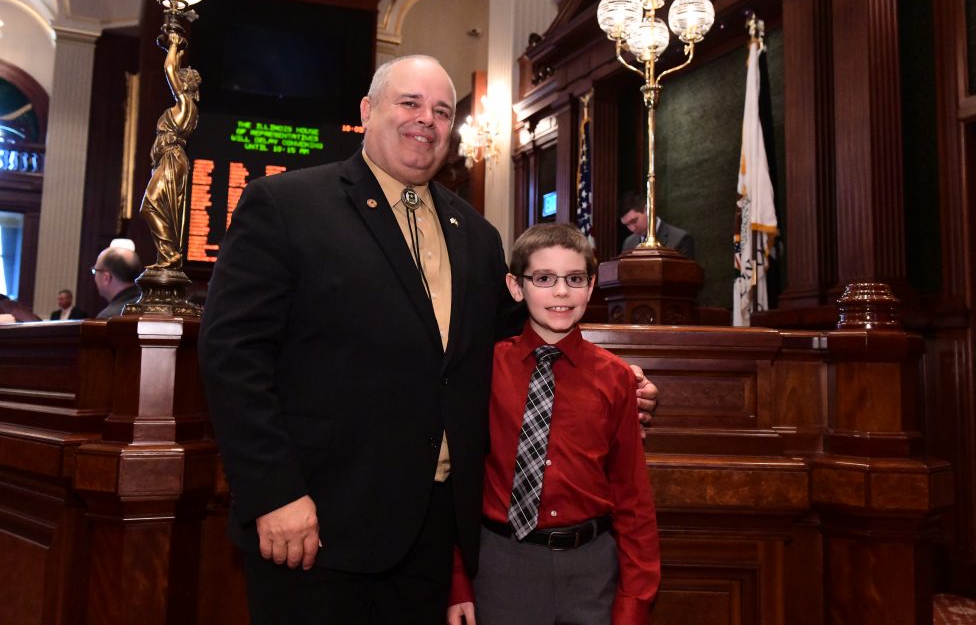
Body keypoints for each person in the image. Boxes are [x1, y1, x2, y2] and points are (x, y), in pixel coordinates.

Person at [198, 55, 657, 624]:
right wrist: (273, 493)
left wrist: (614, 375)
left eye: (442, 111)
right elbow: (232, 356)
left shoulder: (477, 235)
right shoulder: (287, 205)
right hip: (315, 524)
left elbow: (520, 340)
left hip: (433, 537)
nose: (427, 120)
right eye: (409, 103)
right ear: (367, 112)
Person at [447, 224, 659, 625]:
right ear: (515, 286)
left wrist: (634, 604)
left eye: (574, 279)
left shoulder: (615, 378)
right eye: (543, 279)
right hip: (501, 564)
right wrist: (457, 580)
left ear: (591, 286)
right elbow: (455, 482)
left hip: (592, 568)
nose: (561, 292)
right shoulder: (482, 368)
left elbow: (633, 498)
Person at [139, 29, 201, 270]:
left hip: (172, 159)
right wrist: (178, 52)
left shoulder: (186, 102)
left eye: (181, 76)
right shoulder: (187, 105)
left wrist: (173, 46)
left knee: (151, 205)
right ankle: (168, 255)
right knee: (166, 210)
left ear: (186, 84)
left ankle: (170, 254)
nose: (177, 77)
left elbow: (168, 70)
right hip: (169, 159)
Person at [619, 190, 695, 259]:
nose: (632, 228)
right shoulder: (628, 243)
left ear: (648, 209)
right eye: (627, 225)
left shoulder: (680, 239)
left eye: (634, 221)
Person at [91, 246, 143, 318]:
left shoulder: (108, 318)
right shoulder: (155, 306)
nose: (94, 277)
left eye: (95, 271)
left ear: (106, 278)